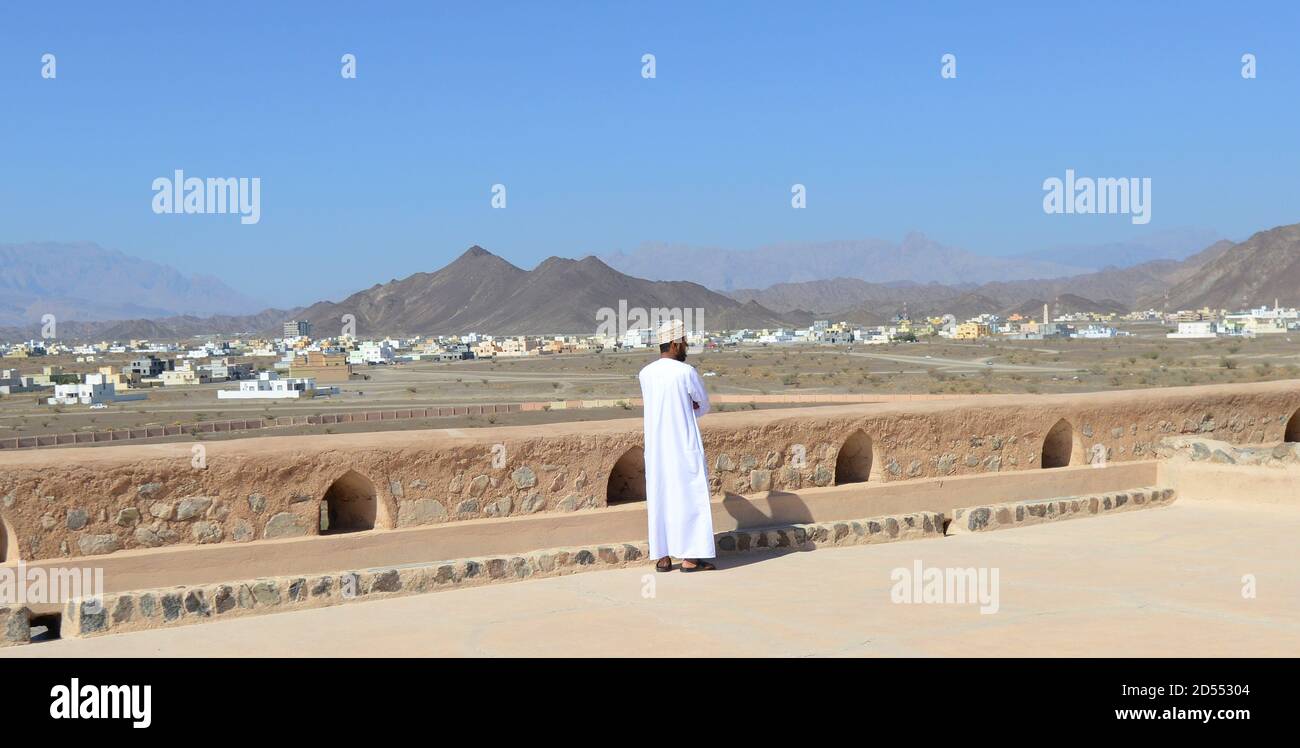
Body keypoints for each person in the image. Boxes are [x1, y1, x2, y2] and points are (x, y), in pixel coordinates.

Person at [638, 319, 715, 572]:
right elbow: (703, 404)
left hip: (657, 449)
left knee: (661, 498)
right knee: (690, 498)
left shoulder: (645, 374)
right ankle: (691, 558)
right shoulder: (686, 372)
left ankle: (662, 556)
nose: (687, 347)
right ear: (674, 343)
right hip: (683, 446)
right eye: (684, 342)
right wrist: (689, 406)